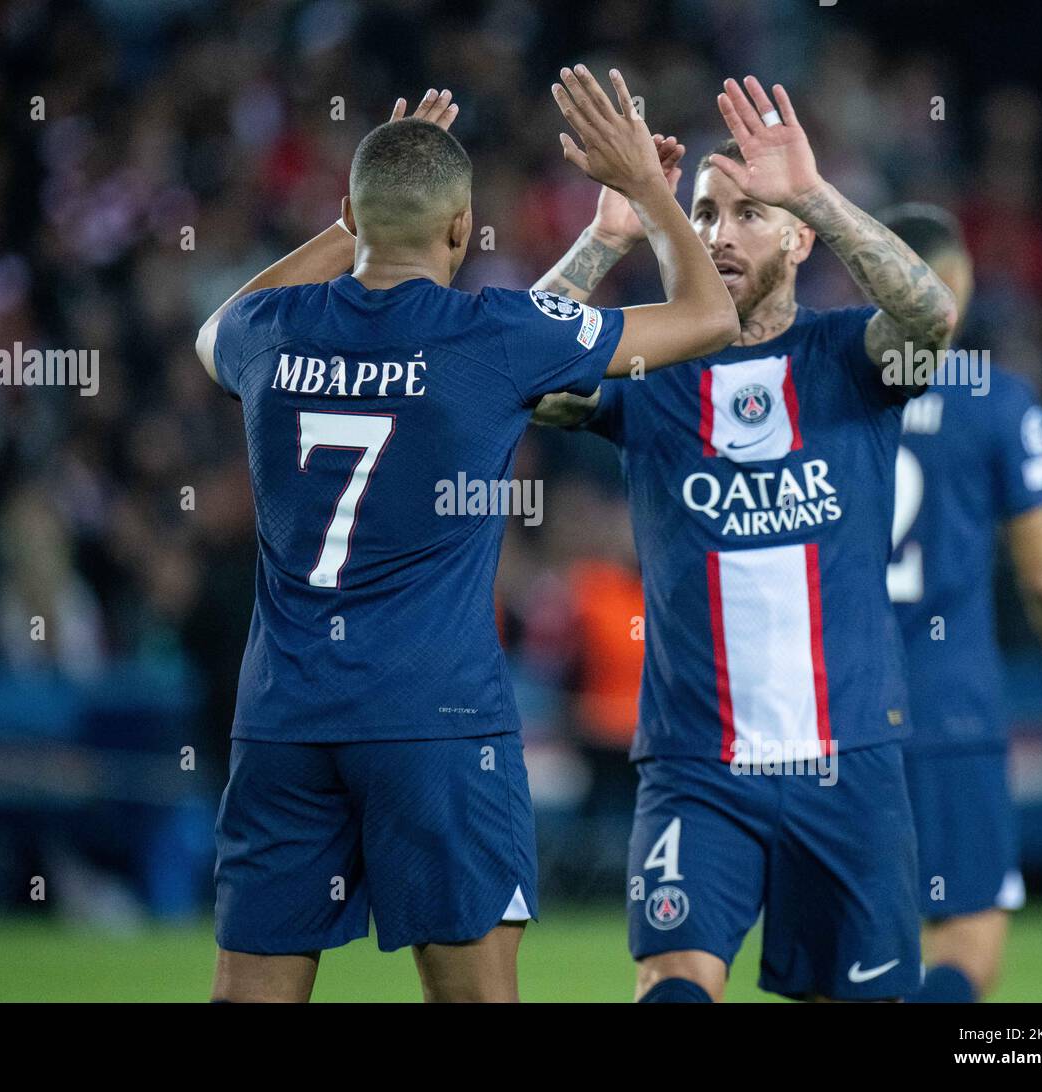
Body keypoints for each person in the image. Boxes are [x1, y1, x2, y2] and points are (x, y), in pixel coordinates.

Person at [194, 75, 738, 1002]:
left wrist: (354, 225)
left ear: (358, 216)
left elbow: (212, 328)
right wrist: (645, 194)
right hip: (436, 724)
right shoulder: (487, 333)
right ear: (461, 230)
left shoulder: (268, 331)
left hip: (283, 720)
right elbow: (709, 319)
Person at [532, 76, 957, 1001]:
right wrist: (607, 235)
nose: (718, 234)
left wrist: (814, 191)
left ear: (798, 238)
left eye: (748, 214)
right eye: (702, 214)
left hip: (847, 761)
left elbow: (932, 318)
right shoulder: (647, 368)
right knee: (674, 989)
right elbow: (513, 373)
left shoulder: (851, 357)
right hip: (696, 767)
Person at [876, 203, 1042, 1003]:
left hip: (834, 713)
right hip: (948, 714)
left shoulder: (823, 391)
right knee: (966, 946)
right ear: (955, 285)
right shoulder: (995, 400)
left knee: (852, 958)